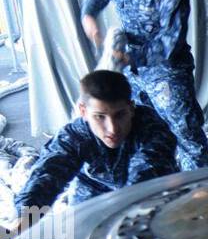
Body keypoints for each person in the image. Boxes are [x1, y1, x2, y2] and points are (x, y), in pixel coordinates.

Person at [80, 0, 208, 174]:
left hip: (167, 72)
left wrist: (131, 57)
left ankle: (206, 190)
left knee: (186, 135)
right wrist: (89, 18)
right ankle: (156, 185)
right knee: (137, 134)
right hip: (129, 71)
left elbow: (170, 42)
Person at [11, 69, 177, 225]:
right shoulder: (75, 135)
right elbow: (48, 172)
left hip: (147, 191)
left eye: (120, 115)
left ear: (131, 108)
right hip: (92, 191)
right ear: (83, 112)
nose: (112, 128)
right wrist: (25, 220)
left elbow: (149, 170)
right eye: (100, 117)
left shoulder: (151, 125)